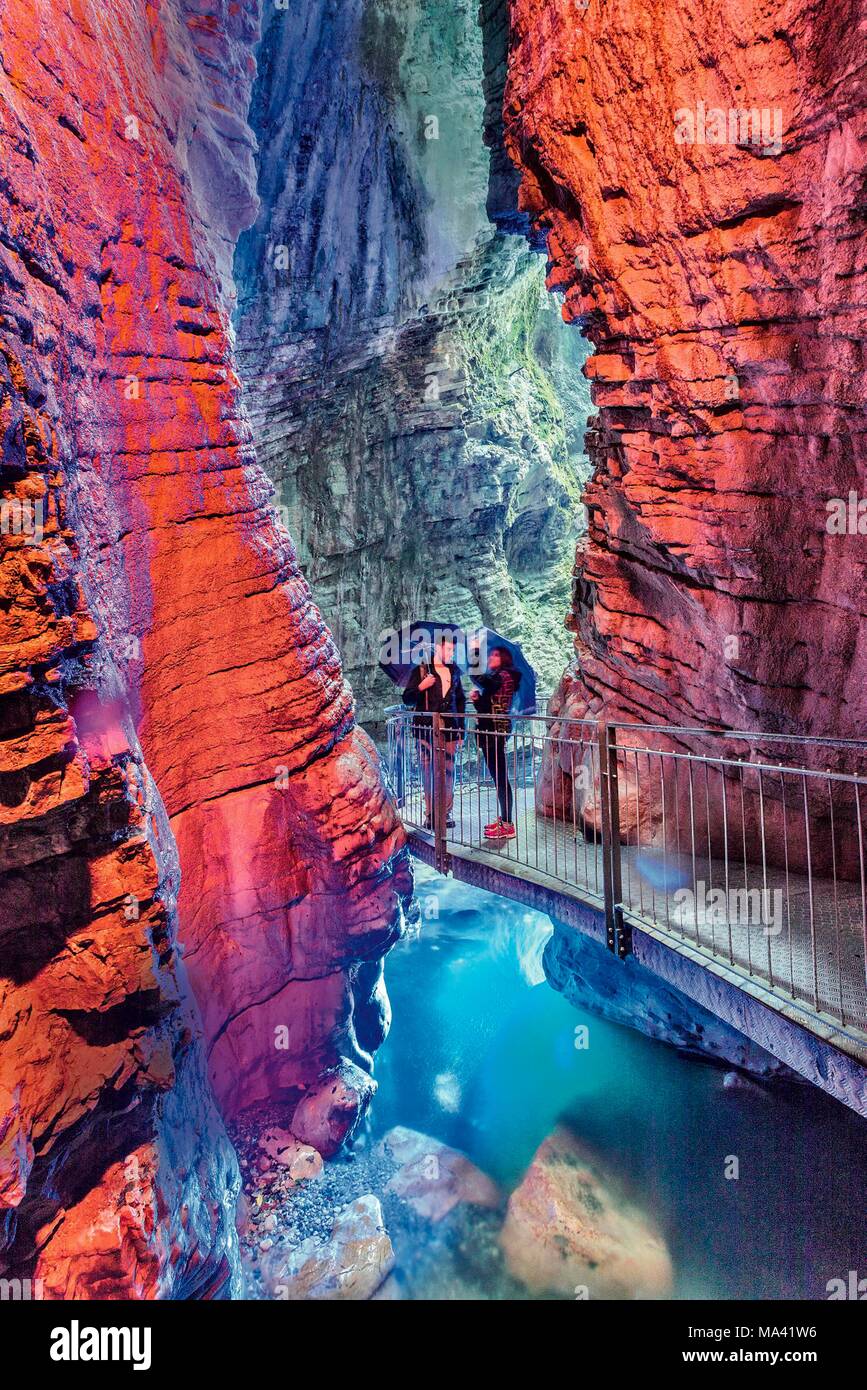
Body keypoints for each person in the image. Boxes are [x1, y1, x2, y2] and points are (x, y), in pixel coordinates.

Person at [402, 637, 466, 830]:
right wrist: (422, 687)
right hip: (426, 729)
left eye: (453, 651)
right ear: (438, 648)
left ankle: (445, 812)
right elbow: (407, 698)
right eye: (448, 650)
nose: (451, 654)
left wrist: (461, 730)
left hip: (450, 728)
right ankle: (430, 814)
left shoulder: (454, 671)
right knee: (428, 771)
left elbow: (460, 701)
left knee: (448, 771)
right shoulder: (421, 670)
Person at [469, 646, 521, 840]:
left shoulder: (504, 676)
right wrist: (476, 700)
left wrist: (474, 655)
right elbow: (486, 703)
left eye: (496, 655)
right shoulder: (499, 677)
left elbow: (481, 680)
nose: (491, 657)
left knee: (500, 778)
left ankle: (508, 825)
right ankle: (505, 820)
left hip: (494, 733)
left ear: (505, 659)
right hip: (491, 732)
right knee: (498, 778)